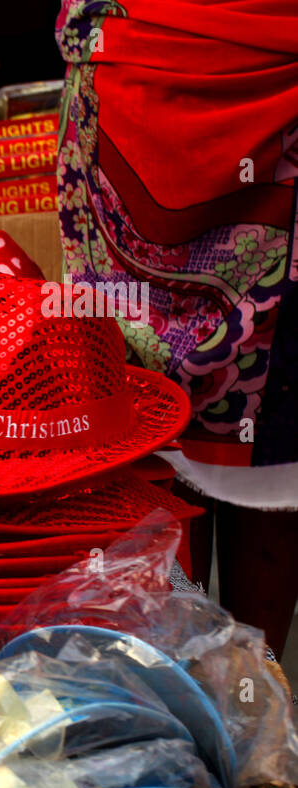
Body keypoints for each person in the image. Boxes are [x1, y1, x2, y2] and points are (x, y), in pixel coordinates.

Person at [55, 0, 298, 655]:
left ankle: (250, 698)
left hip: (276, 69)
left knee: (278, 430)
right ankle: (168, 700)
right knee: (138, 416)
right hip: (135, 79)